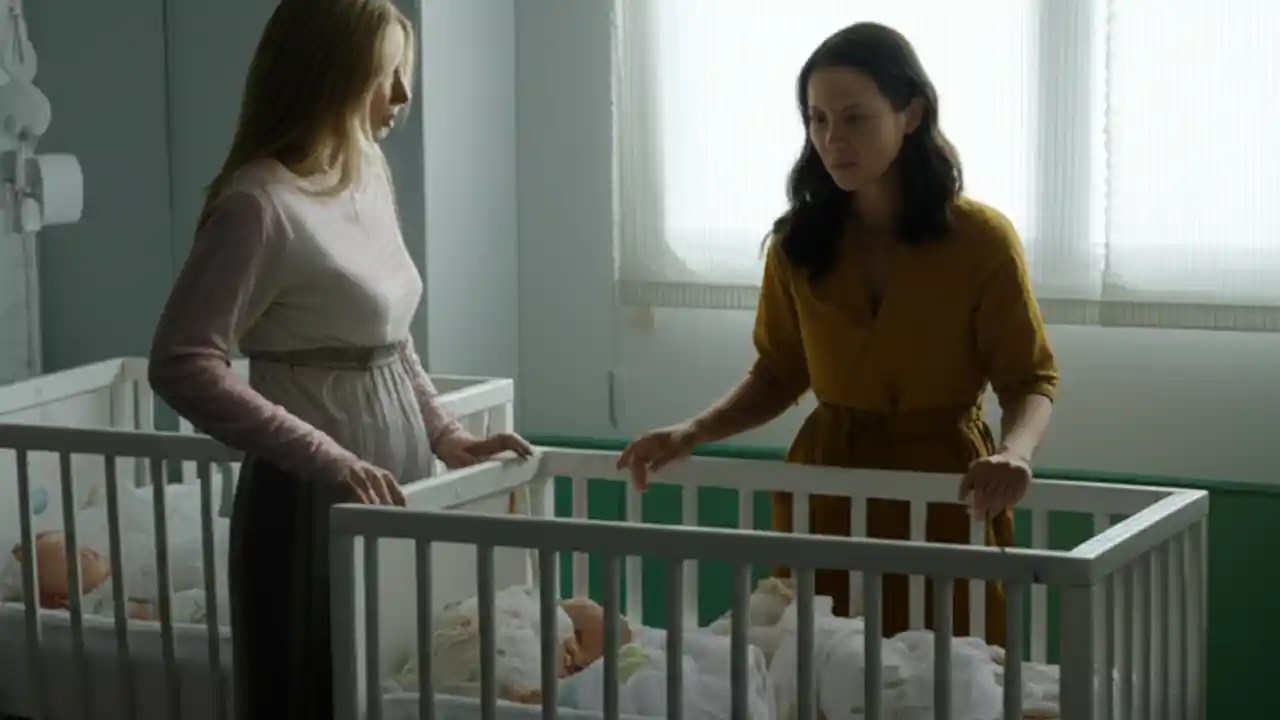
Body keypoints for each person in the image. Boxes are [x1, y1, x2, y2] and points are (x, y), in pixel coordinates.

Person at [147, 1, 532, 717]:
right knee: (317, 692)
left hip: (396, 486)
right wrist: (328, 457)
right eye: (388, 75)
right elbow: (181, 361)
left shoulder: (366, 174)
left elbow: (389, 339)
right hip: (307, 499)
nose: (404, 95)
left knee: (392, 688)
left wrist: (447, 435)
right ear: (333, 76)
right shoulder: (259, 206)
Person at [618, 22, 1058, 648]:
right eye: (817, 120)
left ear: (910, 114)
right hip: (827, 479)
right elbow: (778, 371)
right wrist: (692, 431)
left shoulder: (979, 240)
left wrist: (1015, 452)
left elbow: (1029, 377)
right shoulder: (798, 243)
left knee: (949, 665)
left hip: (942, 479)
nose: (832, 140)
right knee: (815, 660)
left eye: (855, 118)